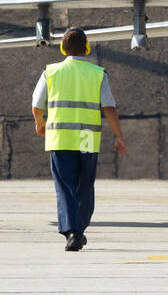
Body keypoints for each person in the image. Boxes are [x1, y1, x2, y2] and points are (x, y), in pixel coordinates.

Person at [31, 27, 126, 251]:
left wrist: (40, 123)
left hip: (61, 137)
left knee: (65, 186)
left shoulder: (50, 72)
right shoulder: (97, 73)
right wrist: (119, 135)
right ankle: (79, 230)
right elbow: (109, 108)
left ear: (63, 49)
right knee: (85, 185)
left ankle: (72, 231)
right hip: (86, 137)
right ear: (87, 48)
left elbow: (36, 105)